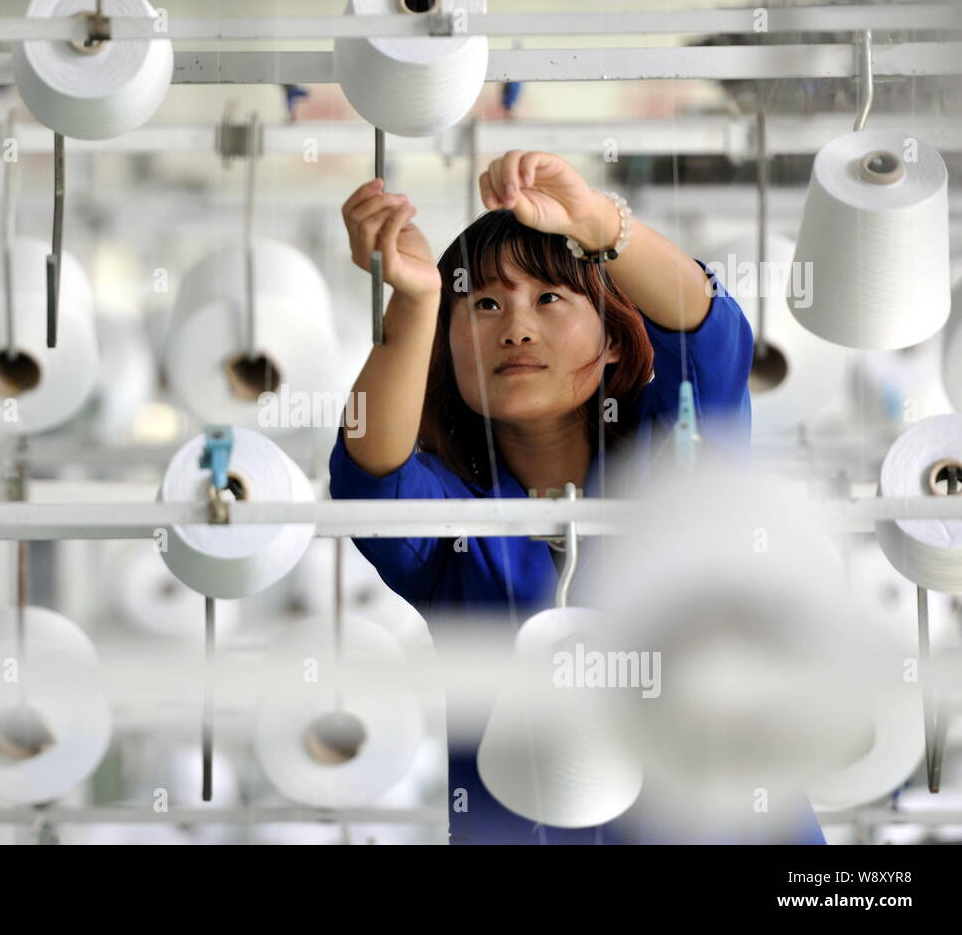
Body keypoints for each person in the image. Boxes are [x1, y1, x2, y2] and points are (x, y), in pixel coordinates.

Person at [328, 149, 826, 845]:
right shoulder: (456, 529)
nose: (516, 327)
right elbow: (370, 471)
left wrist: (599, 224)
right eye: (485, 304)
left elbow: (708, 330)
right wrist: (414, 303)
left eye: (550, 298)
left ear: (616, 340)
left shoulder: (678, 459)